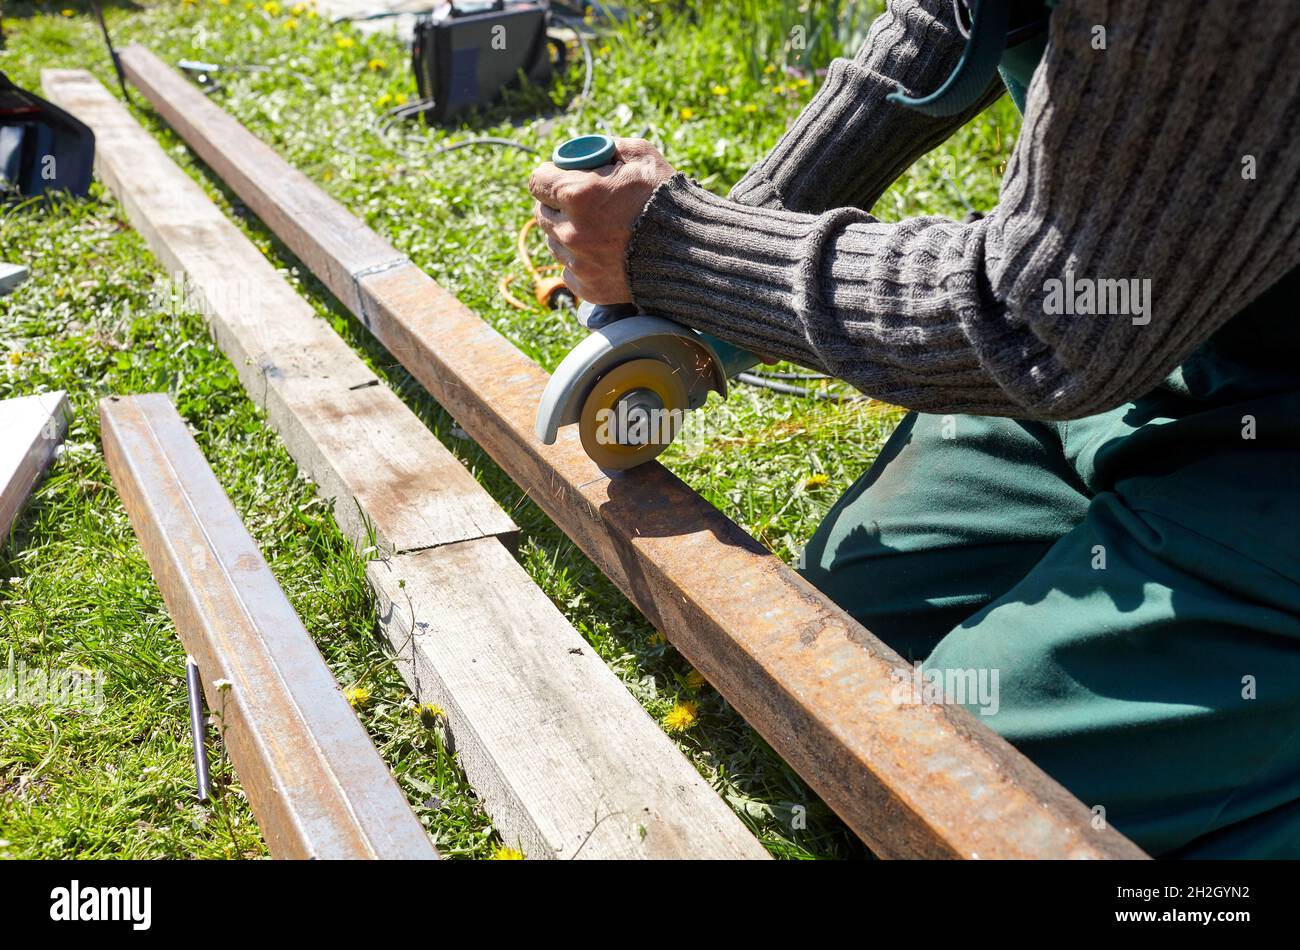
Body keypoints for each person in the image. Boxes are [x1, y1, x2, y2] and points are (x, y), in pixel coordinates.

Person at [528, 0, 1300, 857]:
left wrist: (684, 250)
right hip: (1148, 335)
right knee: (833, 662)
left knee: (964, 785)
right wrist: (705, 302)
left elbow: (1040, 327)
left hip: (1213, 419)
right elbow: (948, 27)